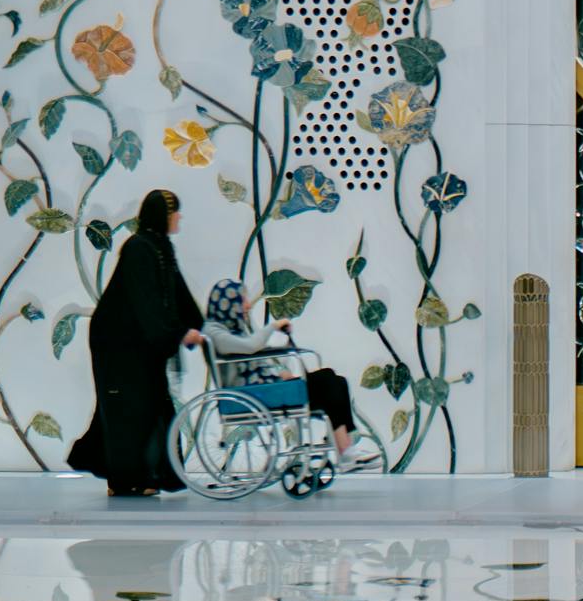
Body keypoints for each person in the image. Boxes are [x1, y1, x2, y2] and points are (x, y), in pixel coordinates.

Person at [66, 189, 207, 497]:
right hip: (118, 344)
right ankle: (124, 480)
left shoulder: (159, 247)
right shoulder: (139, 248)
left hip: (141, 342)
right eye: (175, 212)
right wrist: (177, 333)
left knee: (150, 404)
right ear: (163, 215)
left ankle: (148, 475)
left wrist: (200, 326)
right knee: (128, 409)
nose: (179, 217)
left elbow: (177, 293)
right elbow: (146, 301)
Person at [198, 281, 374, 468]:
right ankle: (346, 450)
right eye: (242, 300)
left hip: (262, 388)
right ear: (227, 302)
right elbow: (250, 347)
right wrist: (273, 326)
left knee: (335, 380)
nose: (247, 305)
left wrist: (279, 372)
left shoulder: (237, 329)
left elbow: (256, 356)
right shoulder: (213, 331)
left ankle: (344, 446)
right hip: (251, 395)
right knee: (327, 382)